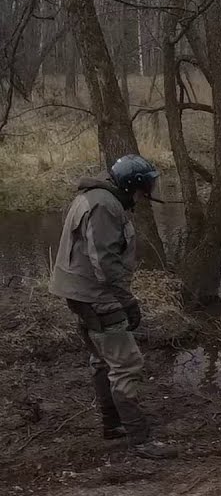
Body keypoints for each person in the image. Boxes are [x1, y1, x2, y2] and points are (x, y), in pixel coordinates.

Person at [49, 154, 173, 459]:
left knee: (103, 360)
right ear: (134, 184)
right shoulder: (105, 205)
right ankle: (139, 439)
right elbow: (104, 262)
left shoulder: (97, 196)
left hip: (82, 292)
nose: (148, 192)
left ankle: (112, 424)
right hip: (96, 293)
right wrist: (126, 299)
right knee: (126, 363)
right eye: (147, 185)